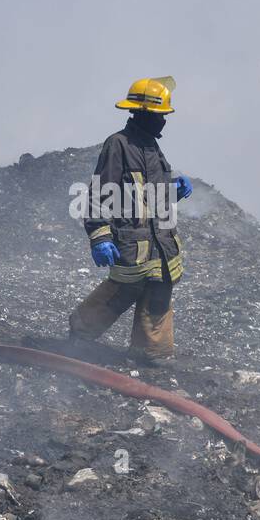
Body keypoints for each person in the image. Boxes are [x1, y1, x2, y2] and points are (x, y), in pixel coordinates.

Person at [68, 76, 193, 364]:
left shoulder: (151, 146)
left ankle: (151, 352)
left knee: (159, 291)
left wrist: (173, 188)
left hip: (161, 242)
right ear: (142, 113)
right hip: (133, 241)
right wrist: (100, 236)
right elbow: (100, 193)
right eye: (159, 116)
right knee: (122, 290)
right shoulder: (119, 144)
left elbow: (149, 192)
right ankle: (80, 333)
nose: (163, 122)